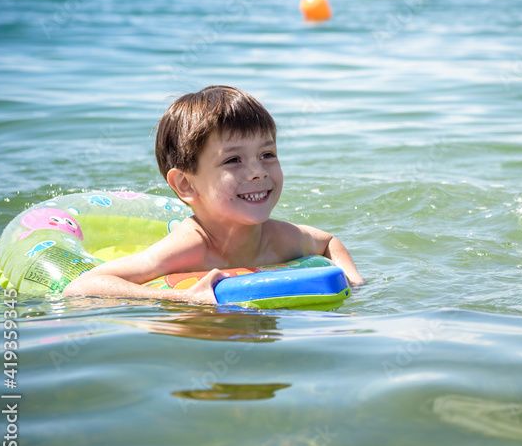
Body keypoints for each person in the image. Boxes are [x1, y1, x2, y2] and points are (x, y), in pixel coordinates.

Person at [63, 85, 364, 303]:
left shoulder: (280, 238)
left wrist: (354, 281)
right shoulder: (191, 248)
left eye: (267, 153)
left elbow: (328, 242)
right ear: (186, 185)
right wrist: (183, 297)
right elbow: (81, 286)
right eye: (234, 160)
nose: (258, 171)